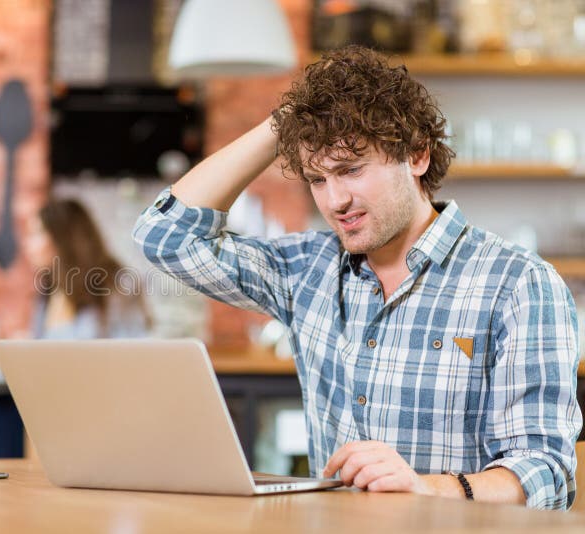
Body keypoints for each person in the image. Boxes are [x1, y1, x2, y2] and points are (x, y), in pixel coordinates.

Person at [133, 46, 581, 510]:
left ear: (417, 156)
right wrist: (283, 122)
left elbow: (546, 474)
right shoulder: (306, 270)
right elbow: (164, 235)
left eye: (350, 170)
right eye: (317, 179)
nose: (335, 201)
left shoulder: (519, 284)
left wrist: (428, 487)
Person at [0, 197, 149, 457]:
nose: (27, 245)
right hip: (55, 394)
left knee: (15, 414)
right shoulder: (49, 288)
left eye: (36, 235)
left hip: (98, 399)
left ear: (62, 239)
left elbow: (134, 353)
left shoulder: (115, 284)